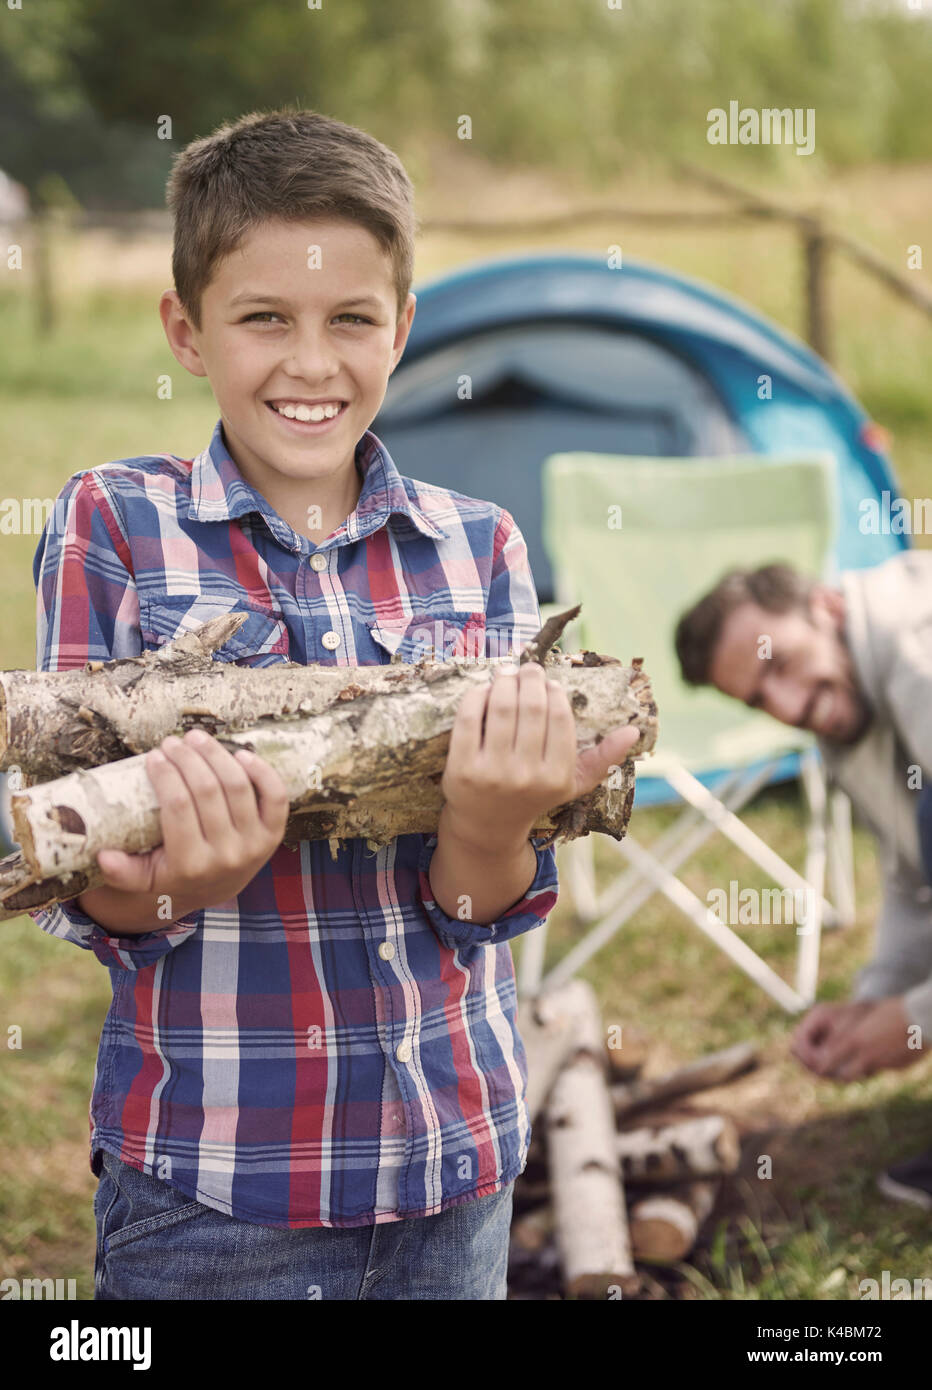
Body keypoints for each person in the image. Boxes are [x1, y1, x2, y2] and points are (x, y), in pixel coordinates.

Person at [27, 107, 639, 1300]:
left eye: (350, 320)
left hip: (454, 1173)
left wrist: (484, 825)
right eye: (264, 318)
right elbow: (75, 867)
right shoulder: (115, 524)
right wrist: (175, 886)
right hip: (215, 1190)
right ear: (186, 330)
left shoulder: (482, 548)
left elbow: (480, 908)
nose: (311, 363)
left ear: (401, 330)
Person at [674, 553, 932, 1211]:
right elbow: (912, 877)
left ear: (828, 606)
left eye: (779, 664)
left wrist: (916, 1019)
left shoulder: (918, 647)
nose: (789, 707)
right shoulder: (851, 699)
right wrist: (875, 1001)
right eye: (760, 700)